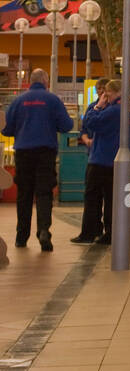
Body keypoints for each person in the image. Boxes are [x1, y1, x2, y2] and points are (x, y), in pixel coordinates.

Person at [2, 68, 74, 251]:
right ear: (45, 81)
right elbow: (67, 125)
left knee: (24, 194)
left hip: (23, 153)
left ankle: (21, 236)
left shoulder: (18, 101)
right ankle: (44, 231)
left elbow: (6, 129)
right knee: (44, 193)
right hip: (45, 153)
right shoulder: (52, 100)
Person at [73, 78, 130, 245]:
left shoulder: (113, 110)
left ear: (115, 93)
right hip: (115, 162)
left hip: (101, 160)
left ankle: (90, 232)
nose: (104, 96)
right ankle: (110, 232)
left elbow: (90, 122)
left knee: (92, 197)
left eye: (107, 93)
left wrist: (97, 106)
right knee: (111, 199)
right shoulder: (127, 112)